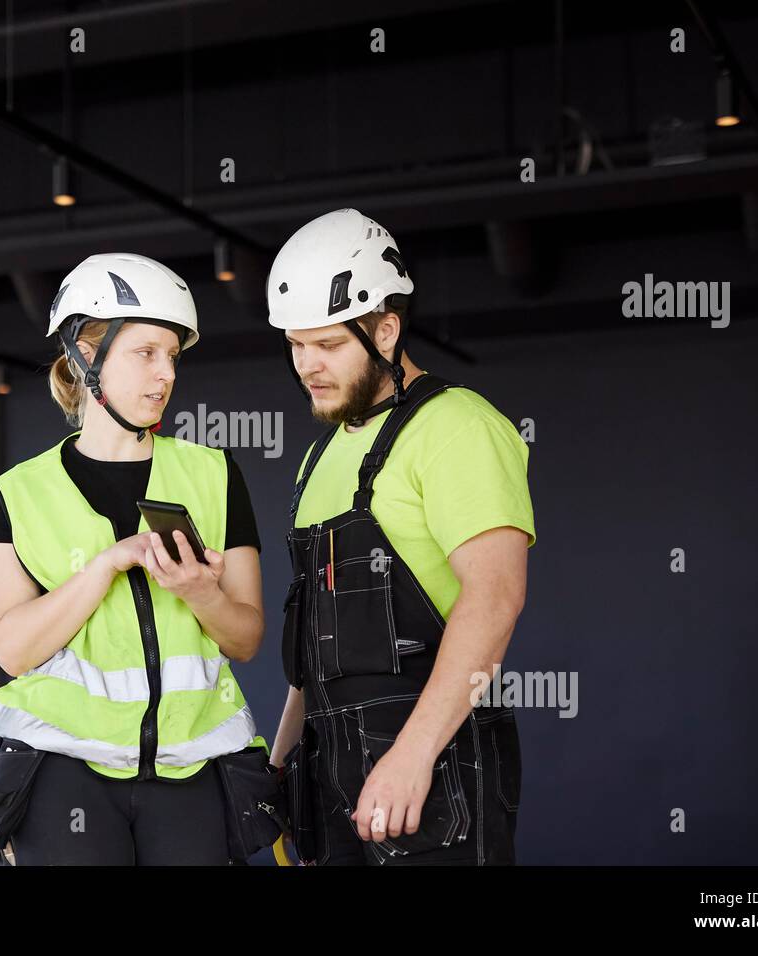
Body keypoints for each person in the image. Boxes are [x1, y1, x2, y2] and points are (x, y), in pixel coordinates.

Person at [0, 252, 272, 865]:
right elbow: (12, 648)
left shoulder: (215, 475)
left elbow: (245, 639)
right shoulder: (20, 493)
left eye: (173, 356)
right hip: (62, 771)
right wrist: (105, 566)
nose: (165, 374)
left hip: (194, 767)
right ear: (86, 355)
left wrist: (199, 592)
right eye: (145, 352)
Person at [266, 209, 536, 866]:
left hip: (433, 774)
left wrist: (413, 754)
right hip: (331, 777)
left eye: (328, 346)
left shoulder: (458, 427)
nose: (307, 365)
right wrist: (277, 773)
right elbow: (313, 653)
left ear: (386, 329)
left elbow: (495, 599)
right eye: (297, 345)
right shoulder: (318, 459)